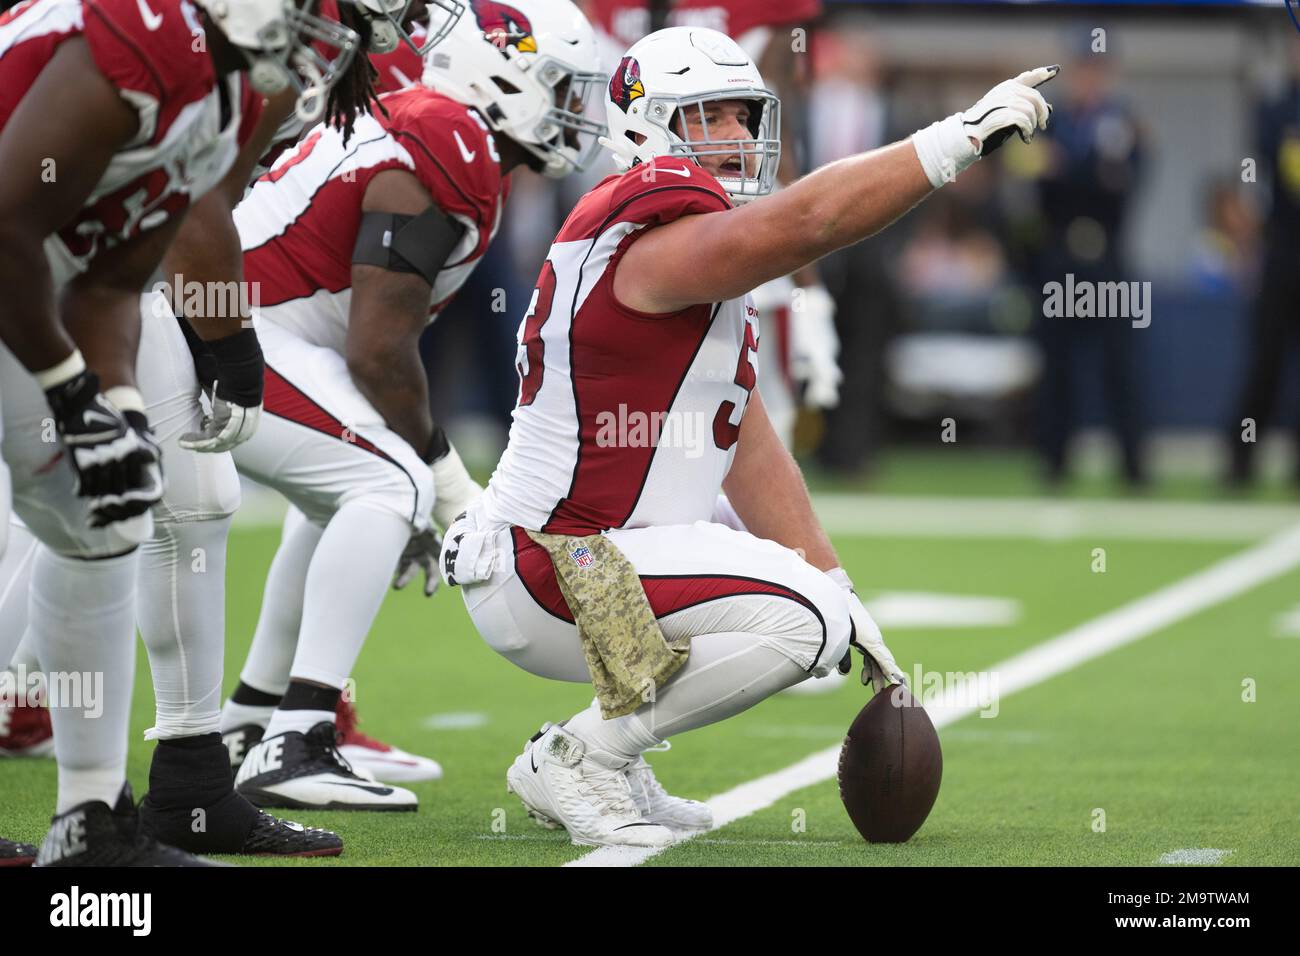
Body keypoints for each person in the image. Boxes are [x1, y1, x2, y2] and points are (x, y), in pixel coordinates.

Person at [442, 25, 1055, 847]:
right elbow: (808, 224)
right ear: (643, 127)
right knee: (802, 617)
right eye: (708, 116)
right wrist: (955, 141)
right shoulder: (648, 239)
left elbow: (750, 447)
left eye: (742, 115)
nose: (735, 137)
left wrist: (841, 584)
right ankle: (584, 755)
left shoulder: (698, 265)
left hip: (587, 557)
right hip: (556, 560)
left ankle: (605, 756)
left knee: (820, 602)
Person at [224, 0, 606, 812]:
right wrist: (442, 478)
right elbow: (377, 350)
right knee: (385, 484)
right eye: (562, 88)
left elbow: (366, 345)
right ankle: (296, 740)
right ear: (502, 75)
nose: (576, 111)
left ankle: (252, 721)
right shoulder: (450, 139)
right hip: (230, 326)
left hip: (248, 322)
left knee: (351, 491)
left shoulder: (443, 128)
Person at [0, 0, 357, 865]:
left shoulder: (223, 97)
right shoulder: (142, 33)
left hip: (38, 278)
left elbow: (115, 279)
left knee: (104, 514)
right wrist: (64, 385)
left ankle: (90, 827)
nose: (321, 29)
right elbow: (7, 218)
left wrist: (112, 401)